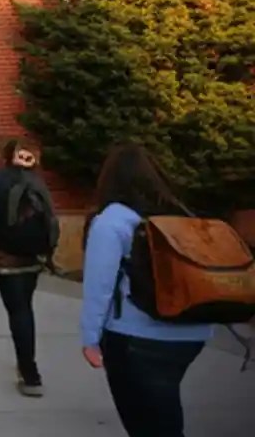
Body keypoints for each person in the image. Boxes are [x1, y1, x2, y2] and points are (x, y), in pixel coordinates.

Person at [80, 142, 213, 437]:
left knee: (147, 425)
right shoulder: (177, 212)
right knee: (164, 412)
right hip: (191, 333)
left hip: (136, 337)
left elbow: (99, 286)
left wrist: (90, 338)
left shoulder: (112, 220)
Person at [0, 137, 58, 397]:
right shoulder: (37, 182)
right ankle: (27, 367)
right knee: (25, 308)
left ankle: (30, 371)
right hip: (32, 257)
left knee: (17, 311)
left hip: (5, 258)